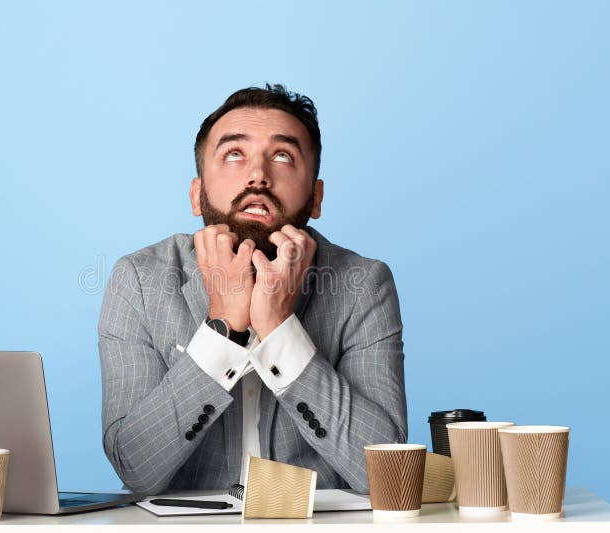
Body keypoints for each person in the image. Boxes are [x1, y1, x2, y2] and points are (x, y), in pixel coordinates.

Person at [99, 84, 406, 495]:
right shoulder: (139, 279)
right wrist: (223, 327)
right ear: (197, 193)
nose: (258, 174)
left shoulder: (364, 285)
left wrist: (280, 330)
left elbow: (387, 473)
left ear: (315, 198)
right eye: (233, 155)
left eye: (282, 156)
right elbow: (134, 468)